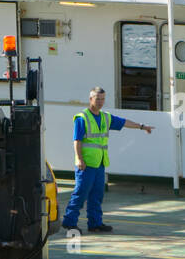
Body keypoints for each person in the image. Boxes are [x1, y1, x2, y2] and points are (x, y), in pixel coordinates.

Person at [63, 86, 153, 234]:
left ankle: (95, 223)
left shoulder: (105, 117)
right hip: (86, 164)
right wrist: (79, 159)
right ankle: (70, 221)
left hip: (99, 163)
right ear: (91, 99)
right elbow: (77, 140)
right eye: (97, 99)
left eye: (103, 99)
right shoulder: (82, 118)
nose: (100, 102)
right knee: (81, 193)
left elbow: (124, 122)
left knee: (97, 195)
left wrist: (142, 126)